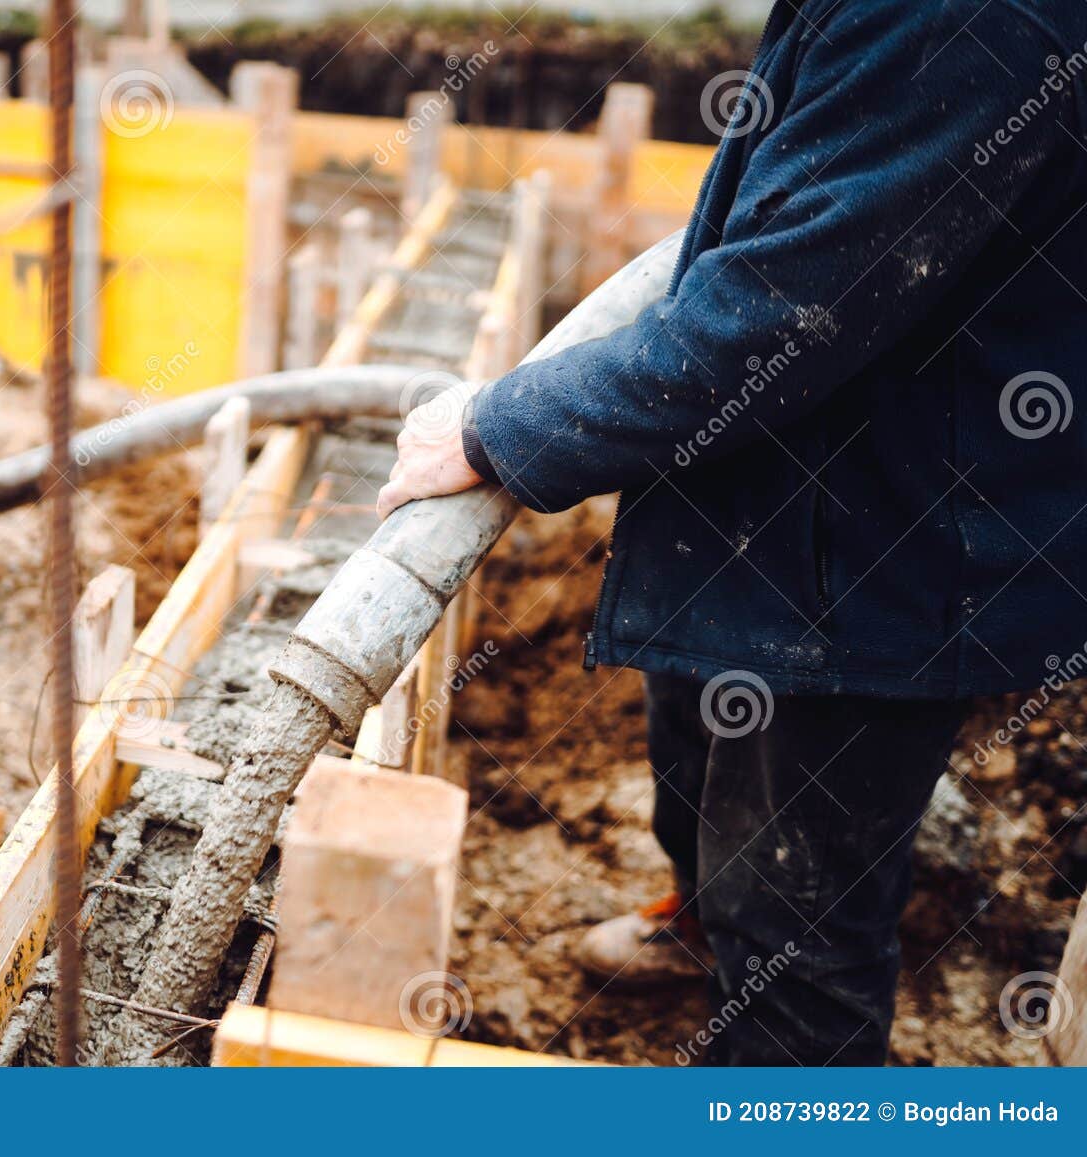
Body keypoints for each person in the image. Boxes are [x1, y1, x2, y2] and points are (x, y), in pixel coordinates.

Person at [376, 0, 1087, 1065]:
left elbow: (789, 298)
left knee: (799, 930)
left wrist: (504, 426)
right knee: (701, 736)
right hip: (809, 484)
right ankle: (705, 927)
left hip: (883, 539)